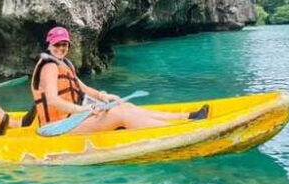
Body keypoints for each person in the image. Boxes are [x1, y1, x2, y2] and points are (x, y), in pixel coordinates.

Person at [30, 26, 209, 133]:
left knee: (124, 106)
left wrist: (103, 96)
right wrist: (83, 109)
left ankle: (188, 117)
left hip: (72, 119)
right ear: (49, 45)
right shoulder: (49, 67)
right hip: (56, 127)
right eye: (57, 45)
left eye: (64, 44)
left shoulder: (64, 63)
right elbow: (53, 100)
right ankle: (175, 132)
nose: (61, 48)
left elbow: (82, 88)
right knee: (120, 114)